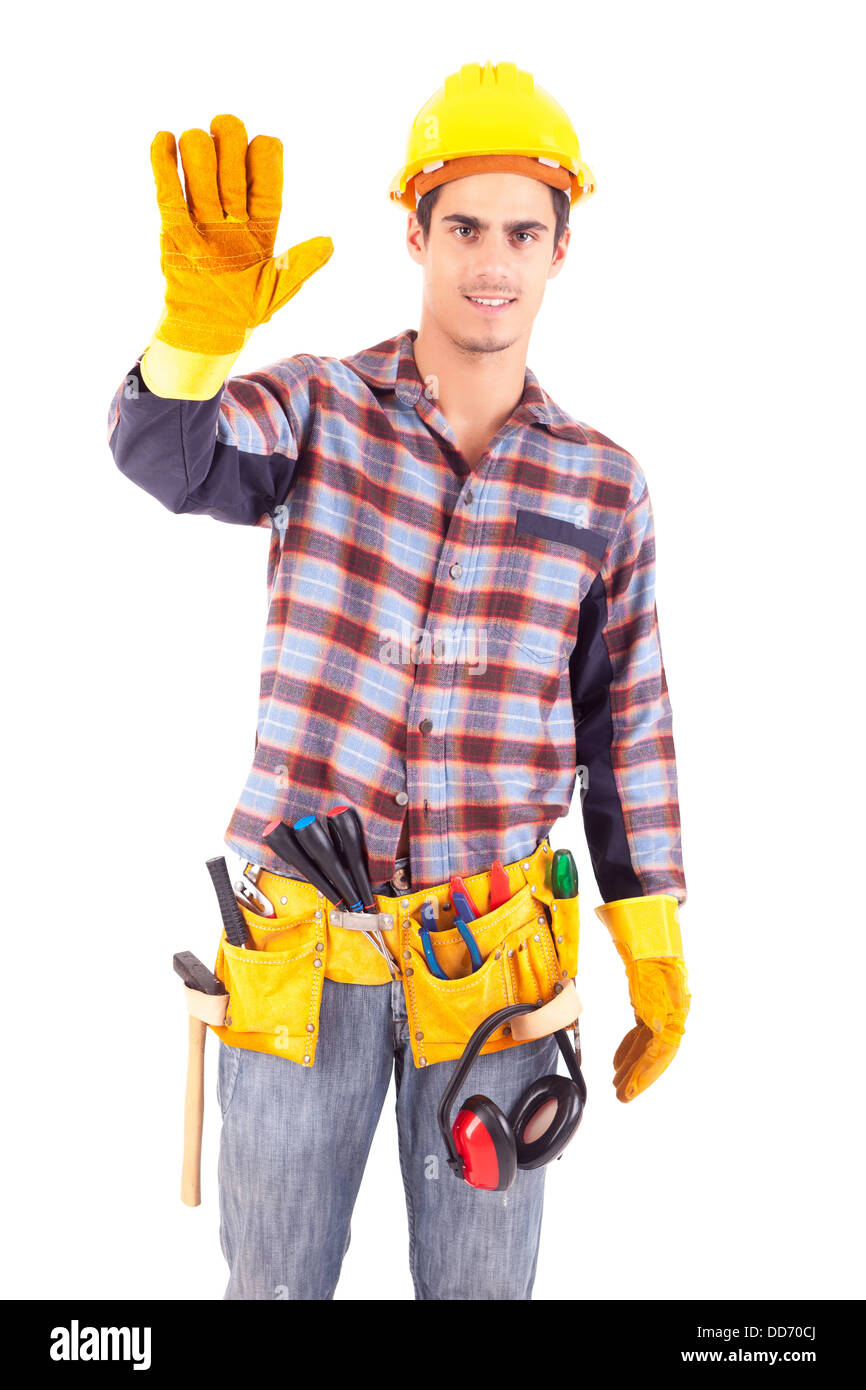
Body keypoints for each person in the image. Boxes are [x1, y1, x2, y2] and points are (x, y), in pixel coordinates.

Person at [107, 60, 690, 1301]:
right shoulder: (317, 407)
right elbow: (166, 457)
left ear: (560, 249)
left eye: (521, 231)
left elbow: (624, 721)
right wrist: (197, 337)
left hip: (492, 970)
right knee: (270, 1289)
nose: (491, 259)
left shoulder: (602, 489)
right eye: (464, 225)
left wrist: (649, 940)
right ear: (414, 232)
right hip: (297, 957)